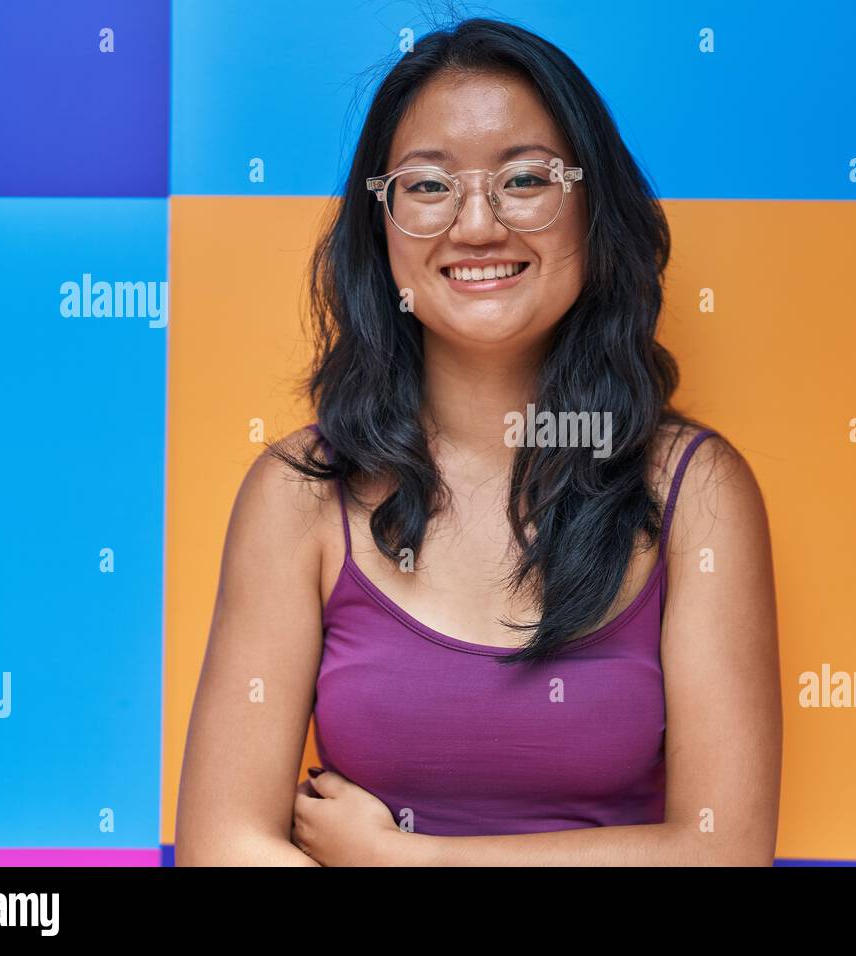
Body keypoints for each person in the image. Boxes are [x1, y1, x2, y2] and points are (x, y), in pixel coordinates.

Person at [175, 17, 781, 866]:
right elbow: (223, 846)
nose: (477, 226)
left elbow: (725, 853)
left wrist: (408, 861)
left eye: (525, 179)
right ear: (379, 231)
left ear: (593, 209)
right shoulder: (299, 491)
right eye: (427, 187)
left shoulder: (696, 492)